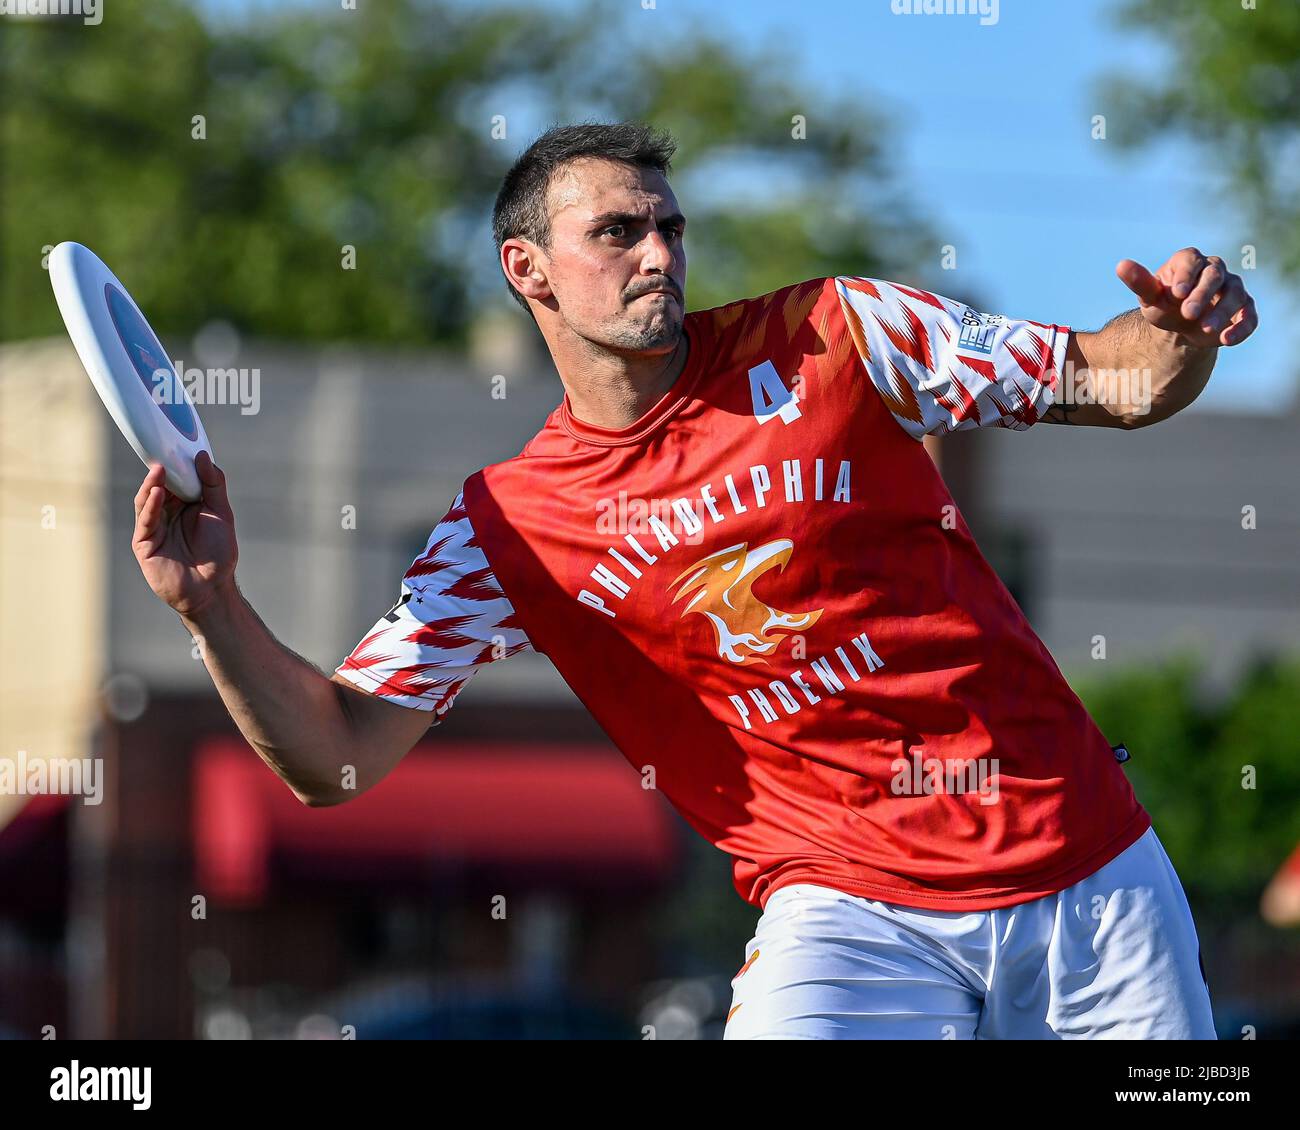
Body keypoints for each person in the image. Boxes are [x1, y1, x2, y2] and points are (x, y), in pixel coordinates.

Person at [132, 122, 1258, 1039]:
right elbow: (332, 756)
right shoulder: (509, 524)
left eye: (669, 226)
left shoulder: (838, 332)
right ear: (526, 269)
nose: (659, 253)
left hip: (1085, 869)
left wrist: (1180, 335)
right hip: (845, 905)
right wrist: (211, 604)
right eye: (616, 232)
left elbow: (1112, 378)